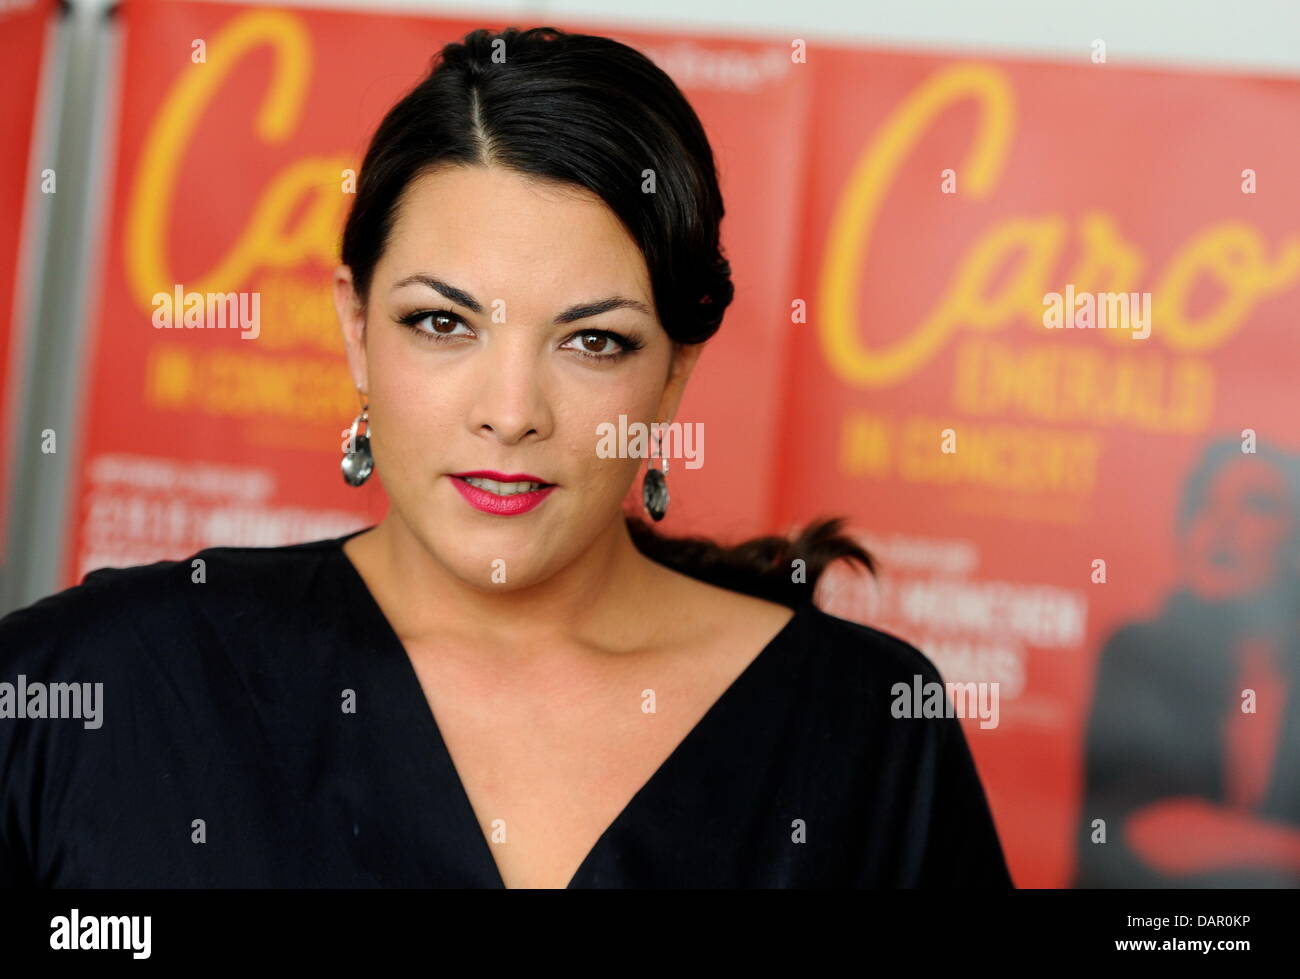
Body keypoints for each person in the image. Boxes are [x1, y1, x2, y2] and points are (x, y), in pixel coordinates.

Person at [0, 26, 1012, 889]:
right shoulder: (98, 686)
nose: (510, 411)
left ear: (673, 374)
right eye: (442, 322)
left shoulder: (865, 732)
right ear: (356, 327)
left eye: (593, 340)